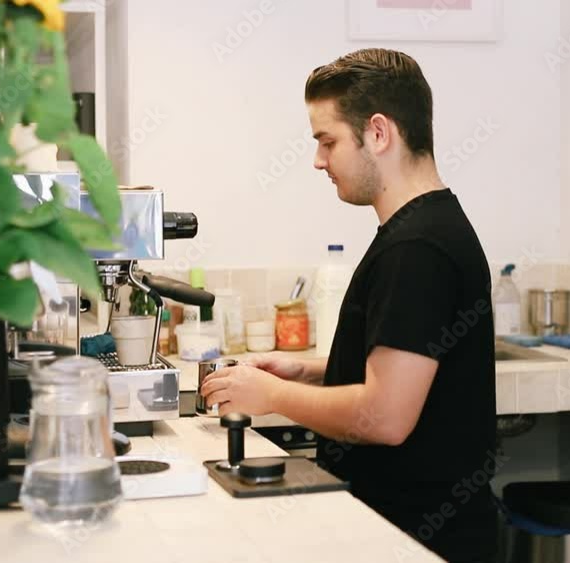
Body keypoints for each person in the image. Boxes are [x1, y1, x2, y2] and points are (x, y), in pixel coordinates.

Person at [201, 48, 497, 562]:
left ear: (378, 133)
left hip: (419, 535)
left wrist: (269, 394)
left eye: (327, 141)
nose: (319, 160)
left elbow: (385, 416)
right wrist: (306, 371)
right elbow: (408, 364)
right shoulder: (423, 229)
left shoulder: (416, 249)